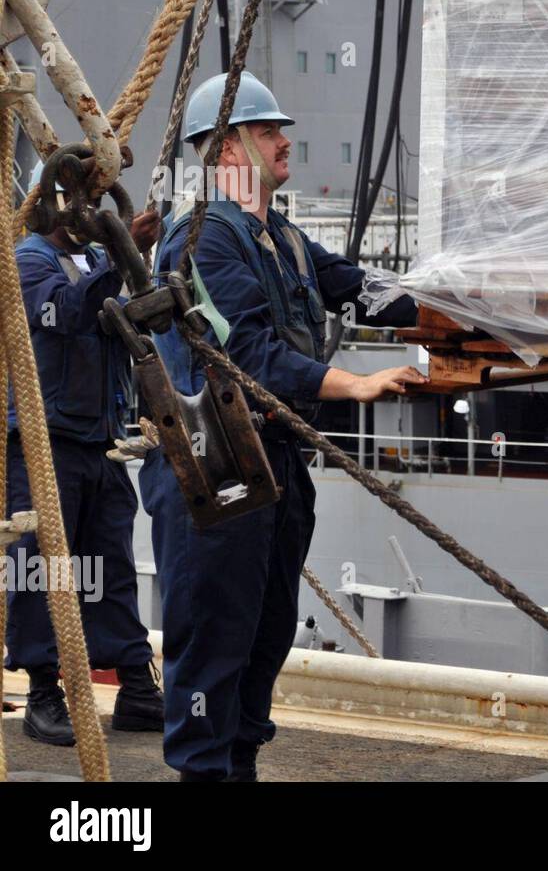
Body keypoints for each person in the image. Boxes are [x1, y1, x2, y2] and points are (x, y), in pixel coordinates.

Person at [140, 71, 425, 781]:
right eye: (267, 130)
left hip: (274, 459)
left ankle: (239, 763)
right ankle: (204, 770)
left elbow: (361, 289)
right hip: (218, 463)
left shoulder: (285, 238)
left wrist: (461, 303)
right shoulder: (202, 240)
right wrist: (353, 382)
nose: (283, 141)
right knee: (216, 632)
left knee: (266, 630)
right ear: (223, 150)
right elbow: (246, 354)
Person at [6, 162, 163, 745]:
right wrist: (123, 253)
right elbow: (68, 313)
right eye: (84, 200)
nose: (94, 212)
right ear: (56, 201)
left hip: (101, 443)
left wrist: (131, 263)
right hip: (43, 444)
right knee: (39, 568)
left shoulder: (98, 261)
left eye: (100, 202)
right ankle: (43, 691)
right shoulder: (27, 263)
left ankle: (136, 685)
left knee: (109, 567)